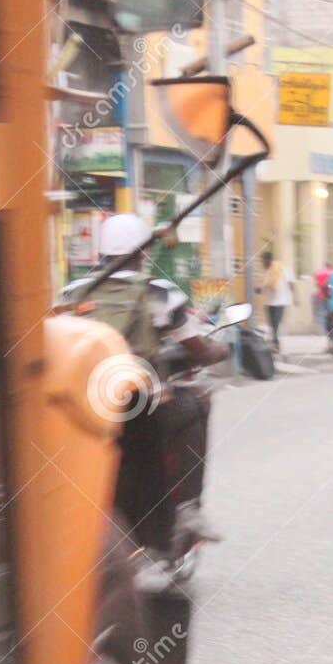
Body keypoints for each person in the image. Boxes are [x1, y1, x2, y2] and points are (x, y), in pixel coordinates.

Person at [64, 213, 227, 556]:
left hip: (84, 407)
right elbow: (196, 348)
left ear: (100, 252)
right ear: (142, 253)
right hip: (143, 407)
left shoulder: (72, 293)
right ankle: (190, 510)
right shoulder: (160, 293)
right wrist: (221, 349)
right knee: (196, 401)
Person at [260, 247, 294, 350]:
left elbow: (291, 283)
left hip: (281, 301)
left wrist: (294, 296)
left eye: (263, 261)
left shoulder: (282, 268)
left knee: (275, 322)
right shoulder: (266, 271)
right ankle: (275, 341)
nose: (262, 263)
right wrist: (259, 289)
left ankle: (275, 342)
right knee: (272, 323)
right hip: (269, 302)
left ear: (268, 260)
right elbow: (265, 286)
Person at [312, 260, 333, 335]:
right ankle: (328, 330)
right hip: (329, 295)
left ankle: (320, 331)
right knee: (329, 313)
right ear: (330, 266)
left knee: (319, 313)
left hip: (318, 295)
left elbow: (316, 284)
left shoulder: (318, 273)